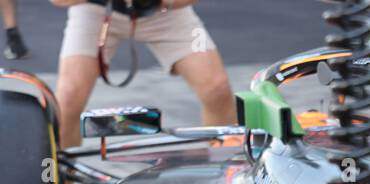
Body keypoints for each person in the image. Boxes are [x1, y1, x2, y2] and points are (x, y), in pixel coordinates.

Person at [50, 0, 235, 147]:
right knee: (67, 98)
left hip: (167, 13)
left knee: (216, 89)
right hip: (95, 11)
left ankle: (226, 166)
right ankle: (54, 182)